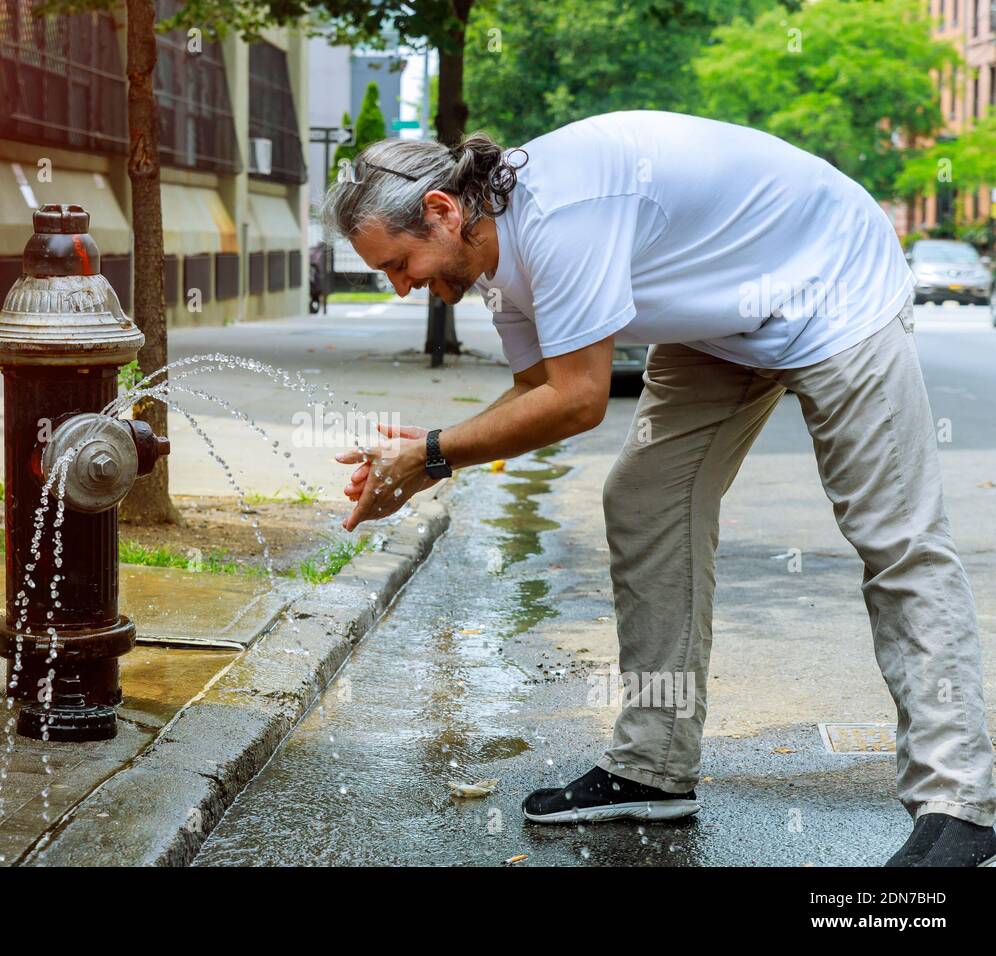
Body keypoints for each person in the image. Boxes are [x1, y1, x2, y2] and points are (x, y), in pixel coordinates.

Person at [318, 110, 996, 867]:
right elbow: (534, 389)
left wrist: (434, 457)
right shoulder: (498, 265)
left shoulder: (562, 217)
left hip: (831, 283)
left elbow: (577, 401)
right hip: (720, 319)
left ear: (443, 212)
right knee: (644, 499)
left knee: (894, 535)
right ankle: (653, 767)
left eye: (399, 264)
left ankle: (957, 802)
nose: (404, 288)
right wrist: (424, 454)